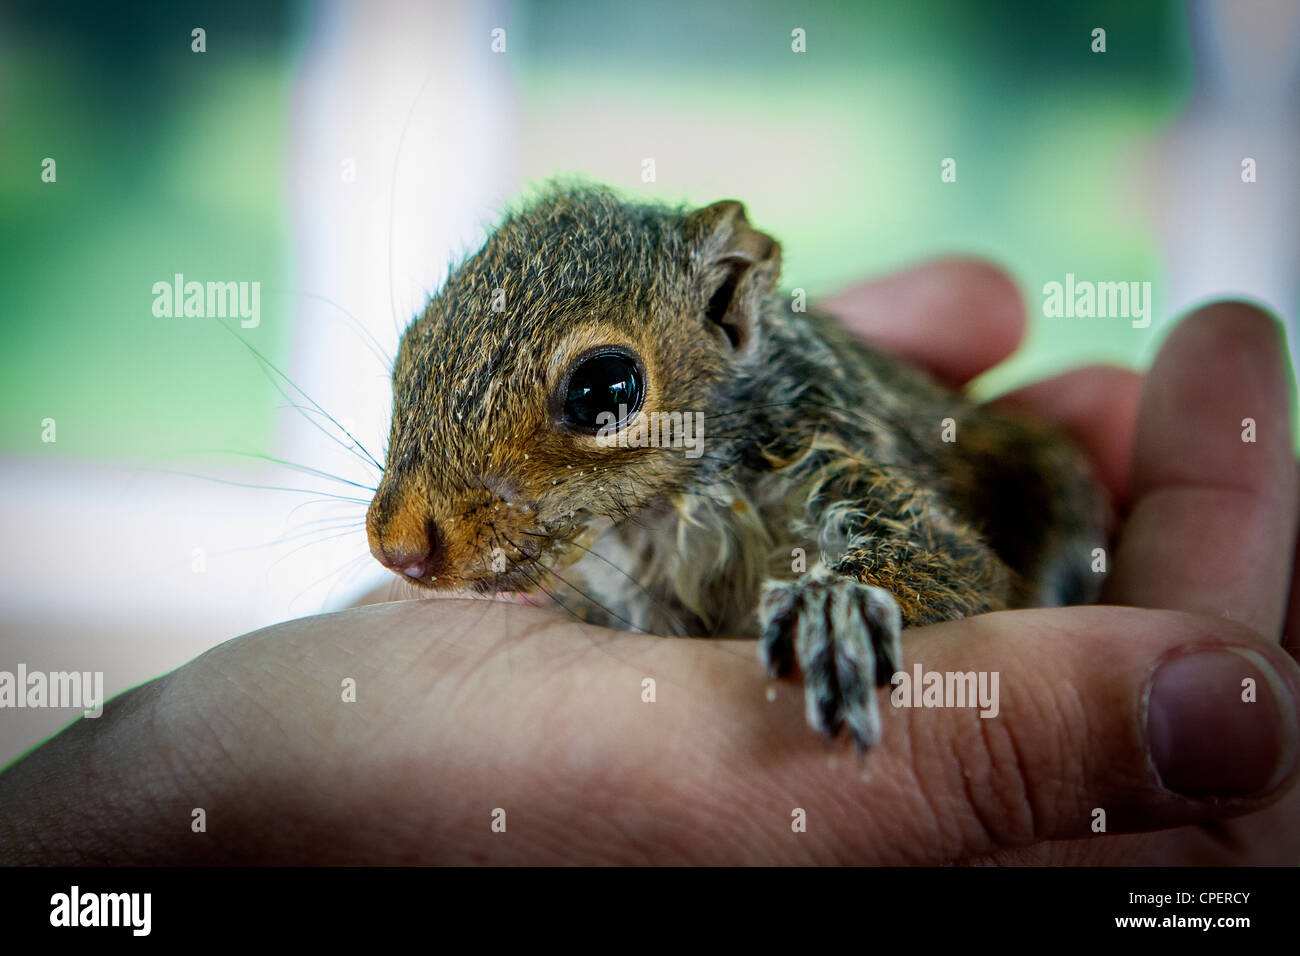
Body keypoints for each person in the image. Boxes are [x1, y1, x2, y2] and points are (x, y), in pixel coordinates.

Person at [2, 259, 1296, 865]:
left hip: (1026, 531)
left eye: (600, 392)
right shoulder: (605, 543)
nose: (398, 540)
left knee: (1063, 475)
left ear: (728, 314)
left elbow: (941, 576)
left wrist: (851, 603)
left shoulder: (798, 454)